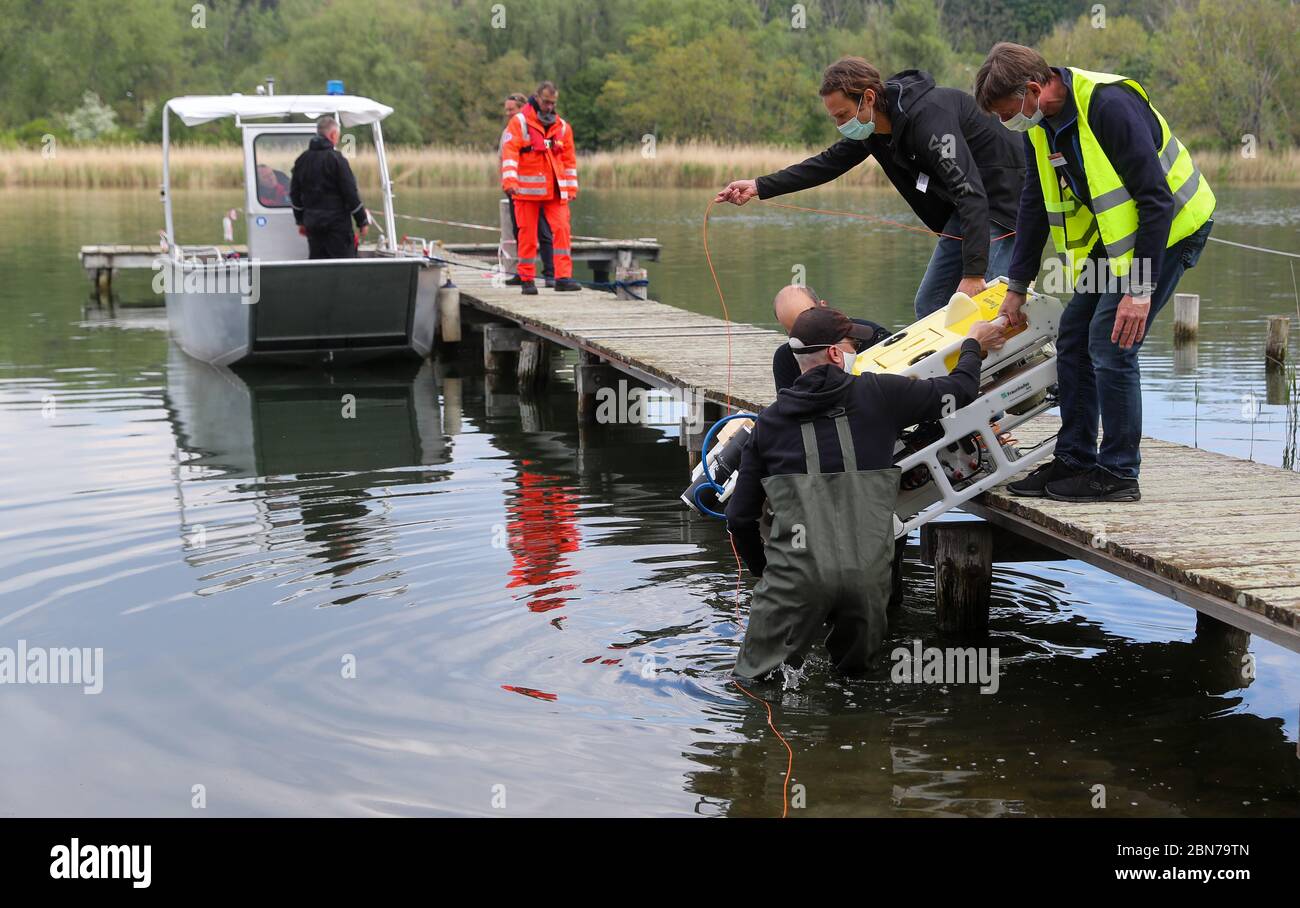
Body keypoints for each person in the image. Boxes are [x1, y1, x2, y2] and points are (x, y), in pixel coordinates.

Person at [974, 43, 1215, 503]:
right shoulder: (1040, 126)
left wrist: (1139, 291)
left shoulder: (1109, 105)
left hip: (1174, 227)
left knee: (1111, 340)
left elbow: (1157, 201)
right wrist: (1017, 286)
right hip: (1120, 238)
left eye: (1009, 113)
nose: (1009, 124)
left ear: (1032, 89)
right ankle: (1075, 459)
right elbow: (1034, 202)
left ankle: (1120, 472)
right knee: (1073, 335)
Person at [726, 307, 1007, 680]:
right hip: (868, 582)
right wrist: (973, 344)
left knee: (755, 684)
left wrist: (766, 574)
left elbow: (739, 518)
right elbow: (959, 391)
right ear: (833, 354)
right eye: (850, 343)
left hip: (795, 580)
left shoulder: (769, 425)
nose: (855, 347)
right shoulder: (880, 393)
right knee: (853, 683)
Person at [715, 58, 1025, 319]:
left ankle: (1025, 373)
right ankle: (958, 383)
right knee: (930, 303)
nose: (840, 126)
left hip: (1002, 200)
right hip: (968, 207)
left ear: (868, 98)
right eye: (834, 118)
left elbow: (969, 190)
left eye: (842, 116)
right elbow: (827, 164)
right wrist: (758, 186)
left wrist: (973, 274)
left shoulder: (929, 118)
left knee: (990, 303)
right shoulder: (873, 129)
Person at [500, 81, 581, 295]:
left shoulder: (562, 127)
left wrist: (571, 188)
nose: (549, 107)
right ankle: (527, 280)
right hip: (525, 192)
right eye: (546, 102)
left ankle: (562, 277)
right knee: (526, 235)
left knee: (562, 230)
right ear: (537, 97)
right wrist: (510, 182)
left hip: (554, 191)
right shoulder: (520, 122)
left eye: (552, 103)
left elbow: (569, 160)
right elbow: (510, 154)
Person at [769, 284, 890, 392]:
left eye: (812, 321)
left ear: (823, 306)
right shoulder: (785, 358)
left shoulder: (869, 334)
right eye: (796, 332)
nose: (806, 333)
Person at [289, 116, 368, 259]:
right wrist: (362, 221)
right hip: (337, 227)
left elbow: (294, 194)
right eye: (338, 136)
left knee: (318, 265)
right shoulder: (337, 159)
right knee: (343, 267)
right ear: (333, 135)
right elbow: (350, 193)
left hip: (312, 225)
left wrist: (300, 220)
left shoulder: (302, 160)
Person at [500, 93, 555, 287]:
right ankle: (522, 274)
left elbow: (548, 149)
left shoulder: (530, 127)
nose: (507, 113)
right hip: (516, 190)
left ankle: (550, 274)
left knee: (543, 232)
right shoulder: (510, 128)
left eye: (511, 109)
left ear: (521, 109)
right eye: (506, 109)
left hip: (536, 190)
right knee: (519, 231)